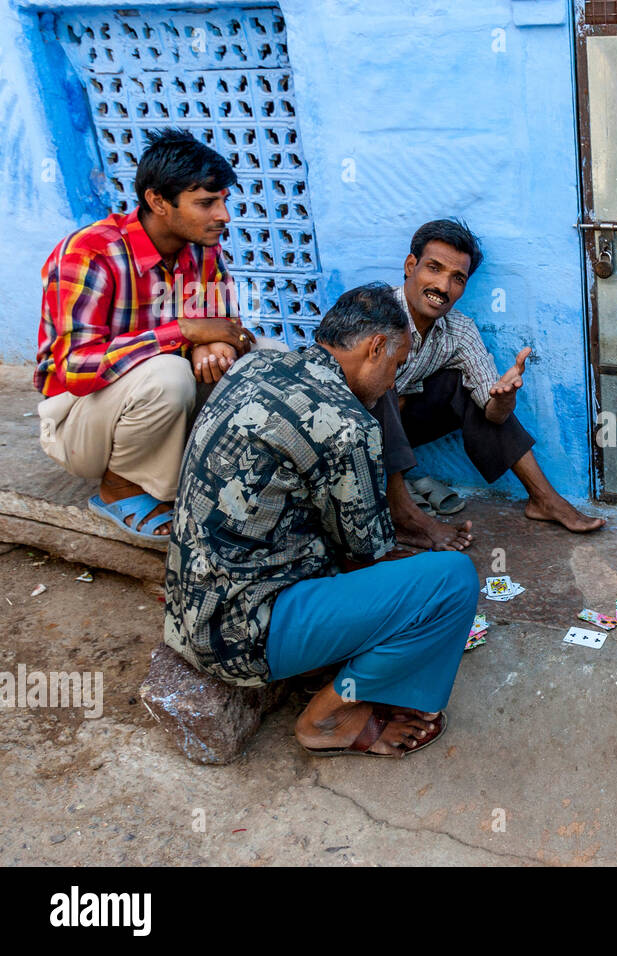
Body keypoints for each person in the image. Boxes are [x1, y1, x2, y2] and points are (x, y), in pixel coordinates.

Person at [164, 283, 479, 757]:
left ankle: (319, 659)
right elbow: (364, 555)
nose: (393, 382)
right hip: (242, 638)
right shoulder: (346, 423)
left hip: (188, 612)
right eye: (395, 366)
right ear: (375, 348)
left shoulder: (256, 364)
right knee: (451, 582)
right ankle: (332, 715)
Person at [33, 127, 253, 541]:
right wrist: (184, 332)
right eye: (206, 203)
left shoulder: (202, 247)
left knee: (263, 358)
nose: (223, 216)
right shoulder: (90, 253)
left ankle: (210, 477)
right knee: (167, 375)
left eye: (223, 201)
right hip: (76, 421)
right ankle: (118, 488)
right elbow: (75, 370)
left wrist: (217, 341)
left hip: (148, 409)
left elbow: (225, 324)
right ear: (157, 201)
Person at [375, 219, 604, 550]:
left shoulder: (460, 331)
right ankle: (403, 512)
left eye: (457, 278)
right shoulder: (374, 311)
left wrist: (503, 399)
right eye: (433, 269)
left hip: (403, 427)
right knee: (383, 386)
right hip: (350, 430)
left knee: (470, 390)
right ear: (411, 266)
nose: (442, 286)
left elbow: (492, 413)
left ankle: (544, 500)